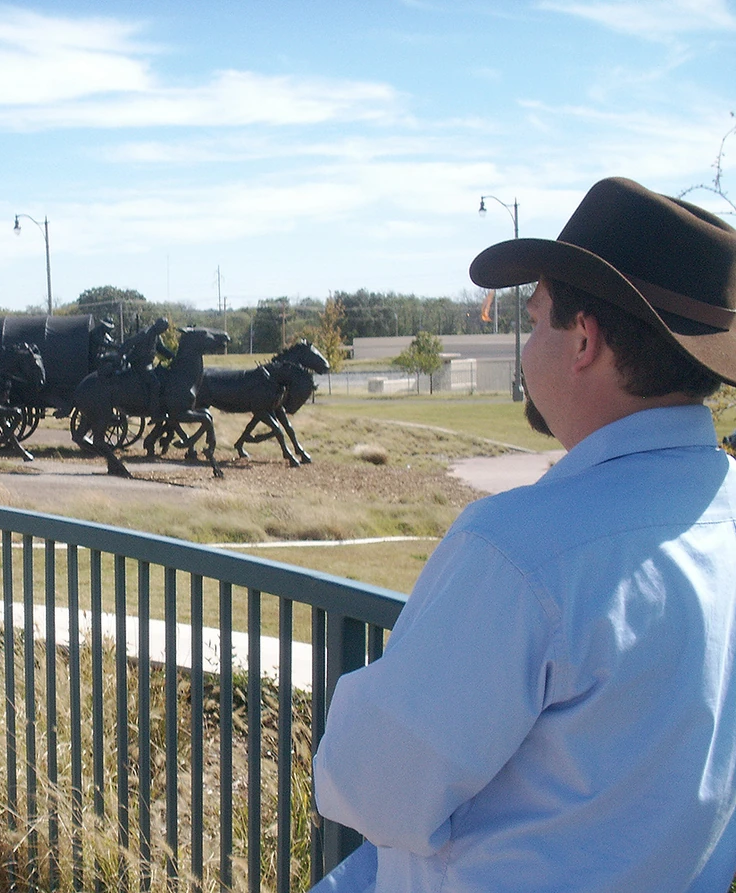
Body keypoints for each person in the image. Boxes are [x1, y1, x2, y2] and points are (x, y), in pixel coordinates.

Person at [311, 177, 736, 892]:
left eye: (535, 319)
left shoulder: (523, 551)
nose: (525, 341)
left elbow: (369, 784)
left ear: (582, 340)